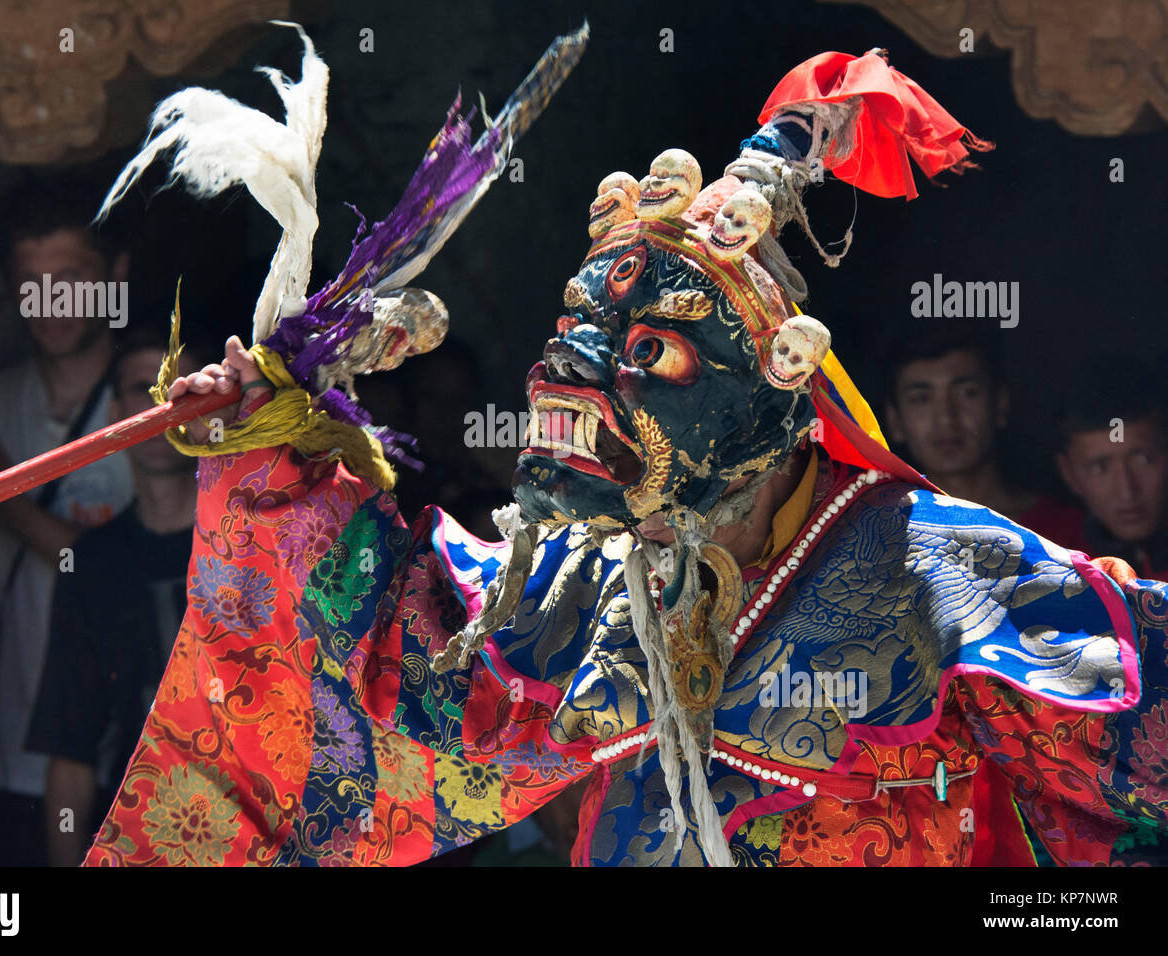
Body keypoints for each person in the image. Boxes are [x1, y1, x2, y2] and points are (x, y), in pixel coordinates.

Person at [83, 32, 1168, 867]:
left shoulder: (944, 574)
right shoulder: (584, 583)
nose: (575, 373)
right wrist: (272, 437)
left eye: (648, 346)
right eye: (576, 335)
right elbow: (371, 656)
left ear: (776, 388)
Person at [0, 181, 136, 866]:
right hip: (2, 747)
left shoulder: (157, 415)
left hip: (123, 755)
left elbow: (124, 572)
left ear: (117, 274)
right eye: (30, 283)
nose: (50, 304)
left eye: (71, 279)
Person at [25, 327, 204, 866]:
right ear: (113, 416)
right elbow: (71, 750)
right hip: (139, 843)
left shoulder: (253, 542)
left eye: (177, 388)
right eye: (137, 389)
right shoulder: (93, 567)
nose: (158, 406)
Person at [882, 328, 1083, 545]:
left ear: (1001, 405)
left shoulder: (1068, 532)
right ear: (895, 421)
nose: (946, 419)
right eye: (921, 398)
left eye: (968, 393)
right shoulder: (881, 537)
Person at [1055, 354, 1168, 578]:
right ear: (1069, 473)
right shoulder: (1047, 565)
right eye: (1100, 468)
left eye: (1144, 460)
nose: (1127, 491)